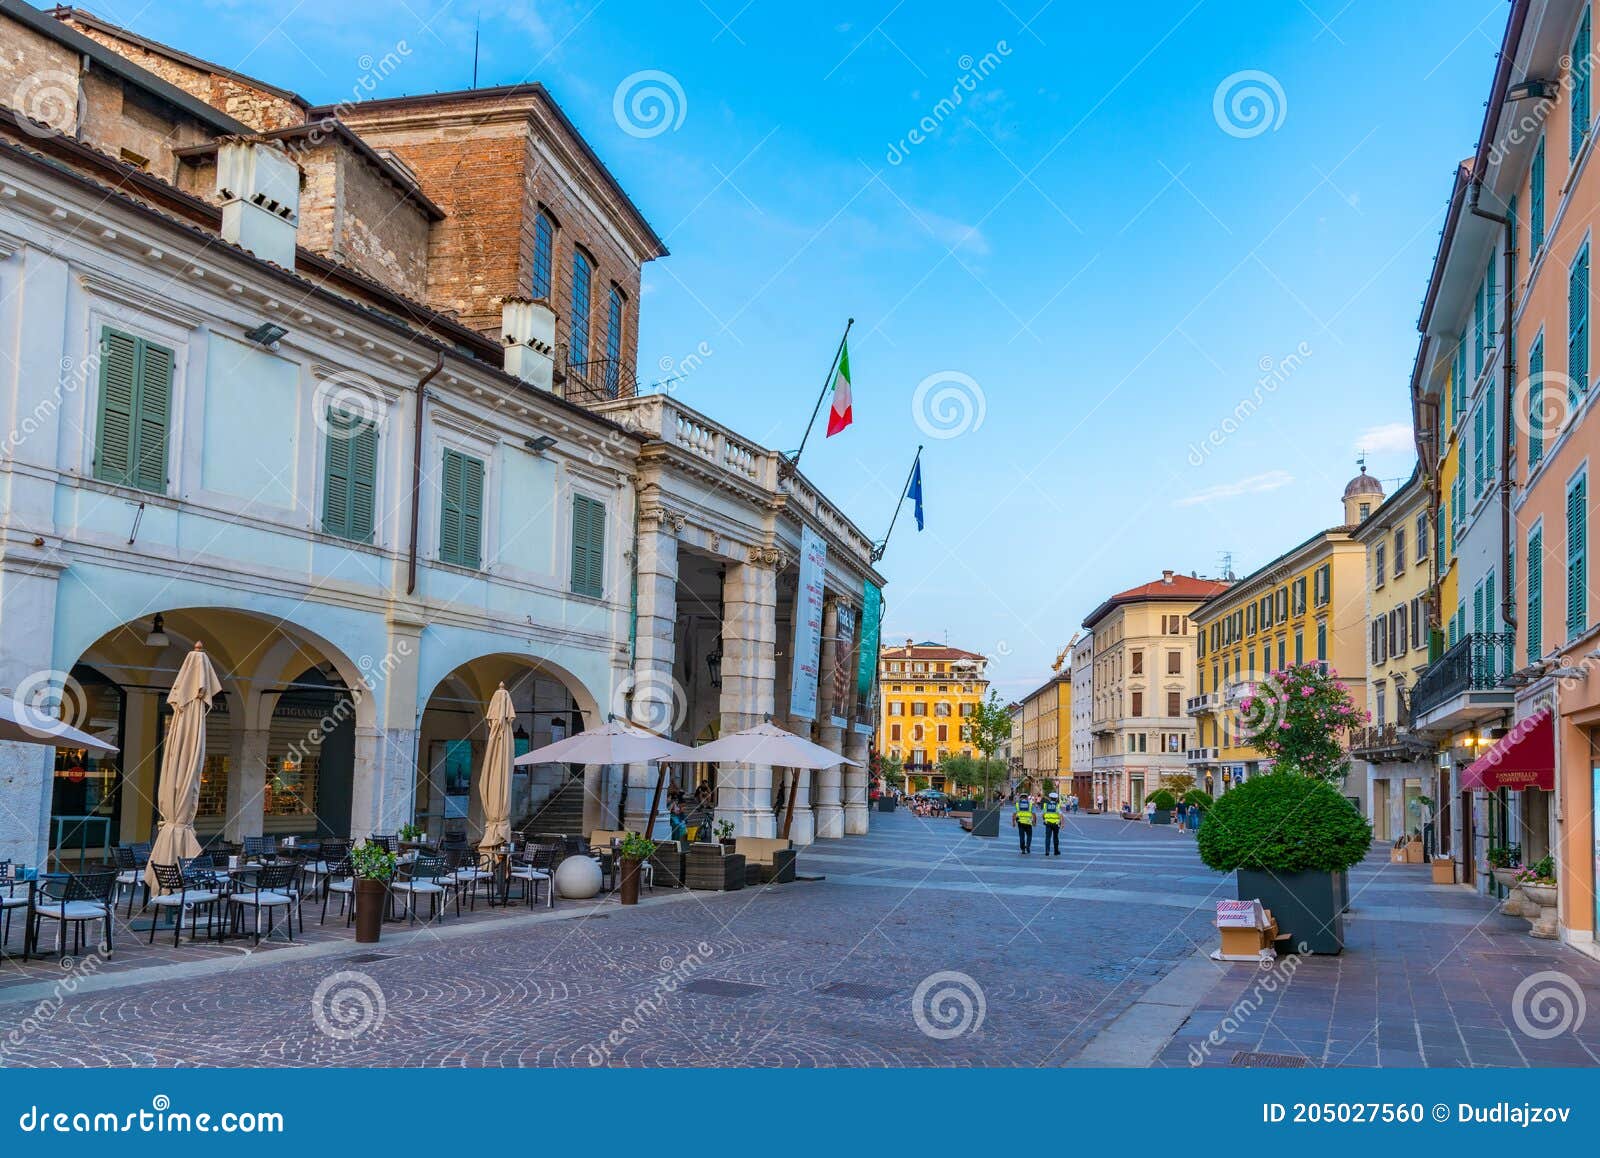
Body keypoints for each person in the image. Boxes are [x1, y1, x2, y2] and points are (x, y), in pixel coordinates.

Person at [1041, 792, 1062, 857]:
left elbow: (1043, 814)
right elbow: (1060, 815)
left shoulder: (1046, 805)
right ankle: (1056, 851)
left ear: (1050, 798)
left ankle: (1047, 851)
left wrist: (1044, 819)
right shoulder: (1057, 805)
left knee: (1047, 837)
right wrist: (1062, 823)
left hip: (1048, 823)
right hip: (1056, 824)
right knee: (1055, 837)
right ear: (1056, 799)